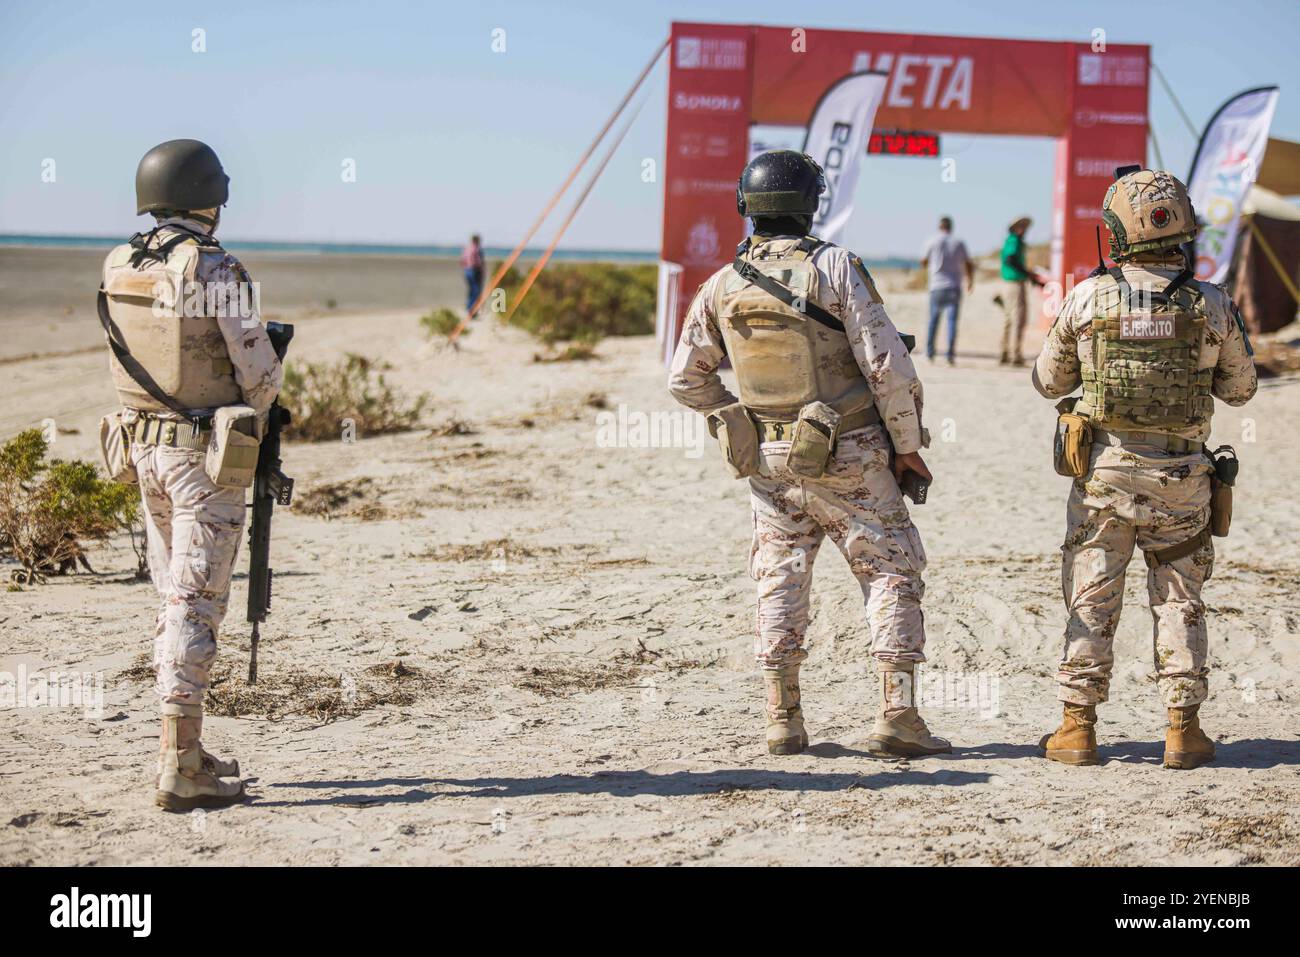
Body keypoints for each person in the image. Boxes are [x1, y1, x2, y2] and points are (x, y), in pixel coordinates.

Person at [668, 150, 949, 758]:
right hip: (852, 448)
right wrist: (908, 448)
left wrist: (735, 417)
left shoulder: (721, 284)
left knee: (779, 577)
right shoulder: (836, 267)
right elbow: (887, 368)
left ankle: (783, 719)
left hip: (770, 460)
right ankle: (898, 715)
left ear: (745, 205)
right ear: (812, 204)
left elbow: (684, 379)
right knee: (891, 571)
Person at [1032, 167, 1256, 769]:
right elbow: (1241, 389)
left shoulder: (1087, 297)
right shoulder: (1210, 303)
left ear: (1116, 233)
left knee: (1092, 595)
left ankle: (1076, 729)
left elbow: (1048, 380)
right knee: (1179, 599)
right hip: (1183, 479)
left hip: (1104, 474)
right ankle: (1183, 730)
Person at [100, 139, 283, 809]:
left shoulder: (122, 261)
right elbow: (260, 374)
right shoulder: (215, 267)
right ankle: (180, 765)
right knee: (196, 603)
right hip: (201, 460)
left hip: (141, 447)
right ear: (210, 197)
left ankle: (187, 747)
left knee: (172, 595)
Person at [920, 216, 972, 364]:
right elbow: (968, 262)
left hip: (936, 285)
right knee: (952, 322)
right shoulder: (959, 242)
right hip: (954, 285)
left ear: (939, 226)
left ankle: (930, 352)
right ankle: (950, 354)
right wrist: (970, 280)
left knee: (933, 320)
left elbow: (923, 260)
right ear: (951, 227)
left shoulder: (932, 240)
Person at [999, 216, 1043, 366]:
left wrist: (1029, 276)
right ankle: (1015, 354)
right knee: (1018, 319)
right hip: (1015, 284)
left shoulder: (1009, 241)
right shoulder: (1015, 241)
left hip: (1008, 283)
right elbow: (1010, 260)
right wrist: (1027, 273)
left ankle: (1005, 352)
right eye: (1022, 226)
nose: (1024, 230)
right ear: (1016, 228)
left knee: (1009, 319)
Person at [461, 234, 485, 317]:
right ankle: (471, 309)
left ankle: (469, 308)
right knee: (475, 291)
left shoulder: (466, 248)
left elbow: (462, 260)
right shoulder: (476, 249)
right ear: (477, 240)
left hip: (467, 270)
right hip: (474, 270)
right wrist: (481, 270)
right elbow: (478, 262)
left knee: (471, 290)